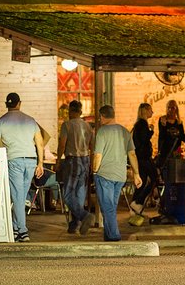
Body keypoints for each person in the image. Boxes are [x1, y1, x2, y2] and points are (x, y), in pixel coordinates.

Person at [0, 92, 45, 243]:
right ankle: (16, 229)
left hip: (14, 160)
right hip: (31, 161)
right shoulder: (30, 120)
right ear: (19, 103)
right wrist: (40, 163)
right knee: (20, 196)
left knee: (18, 197)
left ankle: (22, 231)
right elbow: (39, 143)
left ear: (6, 104)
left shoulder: (0, 122)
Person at [92, 105, 141, 242]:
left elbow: (98, 155)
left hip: (105, 174)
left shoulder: (102, 132)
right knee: (111, 207)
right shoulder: (125, 131)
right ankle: (108, 236)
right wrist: (136, 173)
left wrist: (95, 170)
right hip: (120, 176)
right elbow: (132, 154)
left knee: (107, 207)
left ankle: (114, 236)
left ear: (102, 116)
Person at [57, 100, 94, 235]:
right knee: (79, 194)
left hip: (72, 161)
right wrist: (92, 163)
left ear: (71, 111)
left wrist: (58, 161)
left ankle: (84, 216)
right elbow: (92, 147)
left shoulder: (67, 125)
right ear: (81, 111)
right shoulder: (88, 126)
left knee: (67, 194)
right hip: (85, 160)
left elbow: (62, 144)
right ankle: (75, 224)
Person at [155, 99, 185, 220]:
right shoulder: (162, 120)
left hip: (176, 154)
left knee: (175, 182)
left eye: (174, 108)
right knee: (167, 181)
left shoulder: (179, 122)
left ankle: (172, 205)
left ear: (177, 109)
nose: (171, 110)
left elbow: (182, 136)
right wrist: (159, 152)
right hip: (166, 155)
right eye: (169, 108)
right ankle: (164, 205)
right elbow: (161, 137)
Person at [127, 103, 156, 226]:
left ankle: (135, 207)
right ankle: (138, 202)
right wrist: (151, 132)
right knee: (154, 178)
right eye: (150, 110)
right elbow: (143, 140)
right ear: (145, 111)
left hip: (140, 158)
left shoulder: (138, 124)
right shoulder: (143, 124)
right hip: (144, 158)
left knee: (142, 181)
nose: (152, 112)